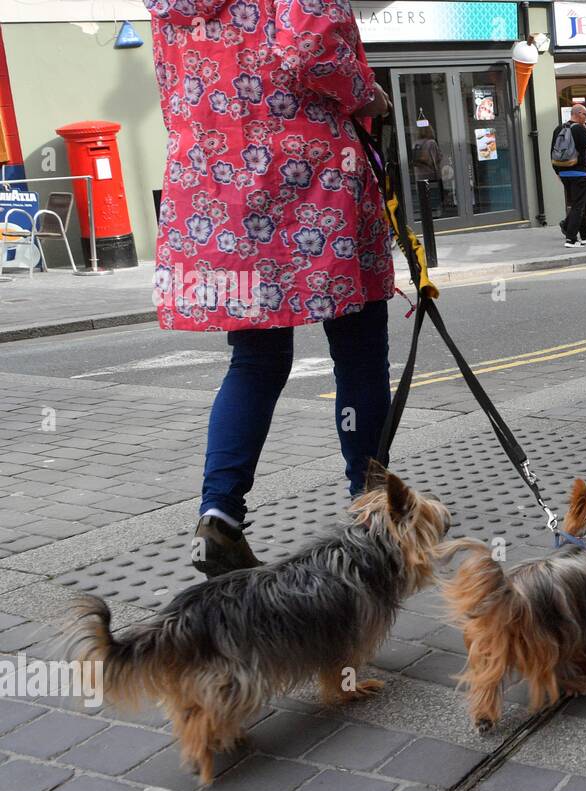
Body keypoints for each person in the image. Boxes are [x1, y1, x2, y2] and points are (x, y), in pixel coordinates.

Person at [147, 0, 395, 577]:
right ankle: (374, 510)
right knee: (359, 352)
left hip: (220, 188)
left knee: (255, 361)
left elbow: (171, 88)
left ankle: (220, 516)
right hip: (311, 177)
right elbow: (310, 44)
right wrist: (367, 95)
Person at [552, 103, 586, 247]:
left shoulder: (558, 129)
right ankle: (571, 238)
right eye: (585, 115)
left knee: (578, 204)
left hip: (564, 172)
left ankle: (585, 235)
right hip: (578, 172)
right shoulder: (579, 129)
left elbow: (552, 153)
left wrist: (559, 173)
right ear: (579, 114)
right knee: (578, 206)